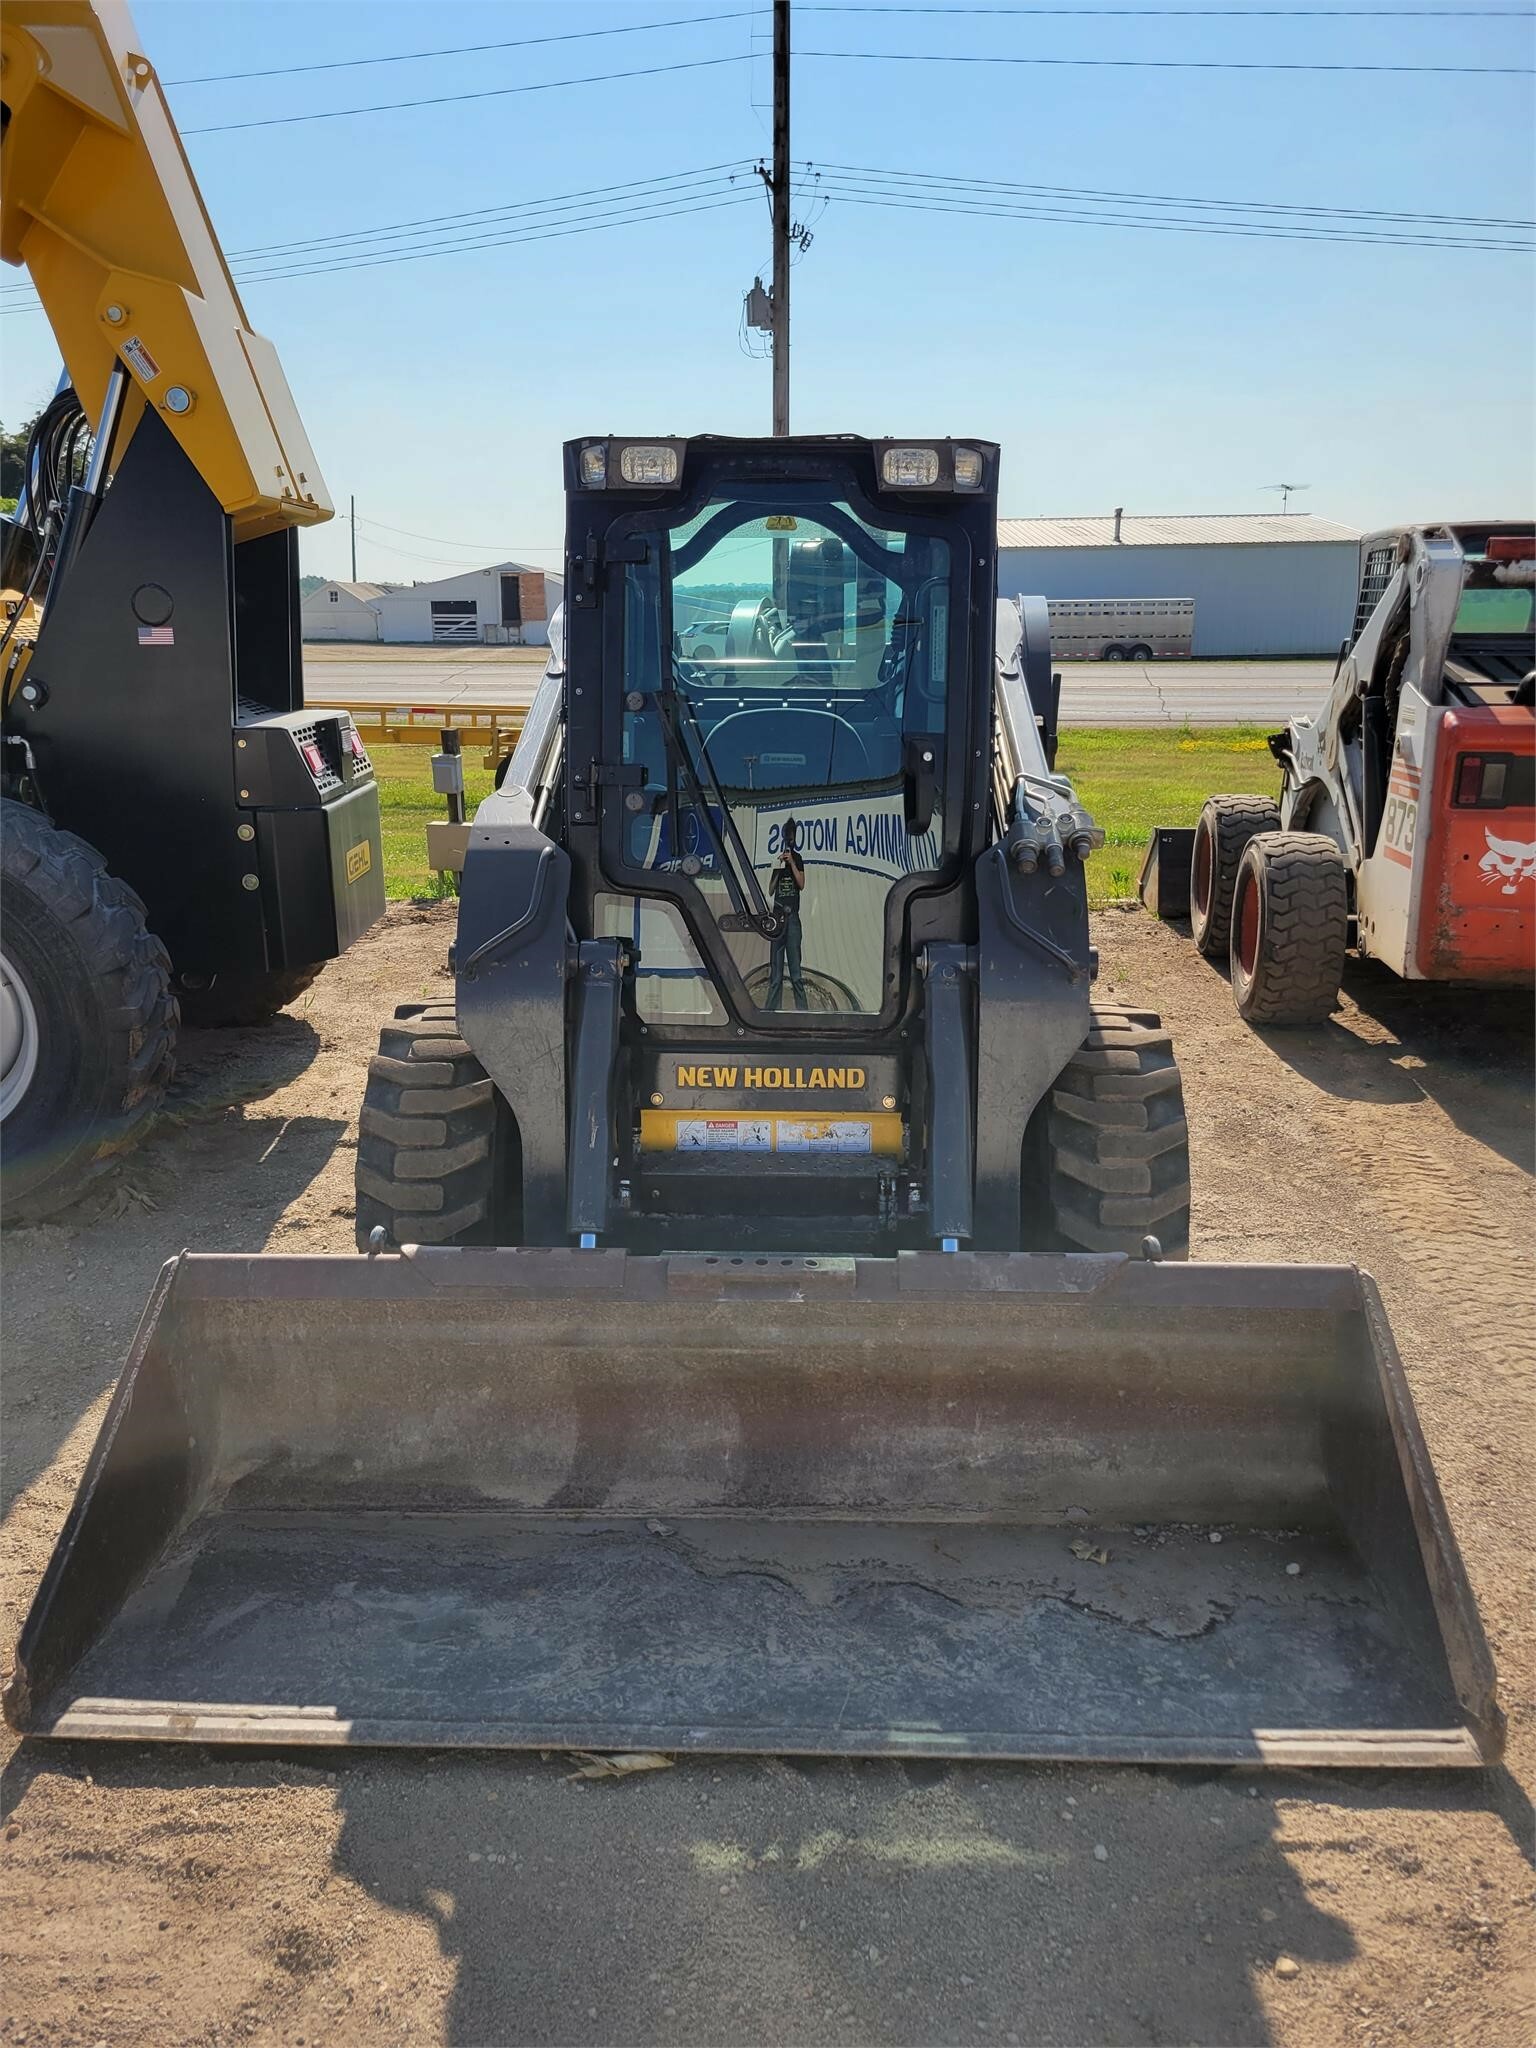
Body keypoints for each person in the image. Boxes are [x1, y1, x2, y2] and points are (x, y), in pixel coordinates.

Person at [765, 817, 807, 1011]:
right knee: (776, 973)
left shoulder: (797, 858)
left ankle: (803, 1013)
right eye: (788, 834)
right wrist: (778, 867)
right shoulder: (778, 859)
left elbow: (801, 884)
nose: (790, 837)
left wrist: (791, 864)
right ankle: (771, 1011)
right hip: (777, 919)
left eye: (792, 834)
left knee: (796, 972)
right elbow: (771, 890)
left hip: (792, 920)